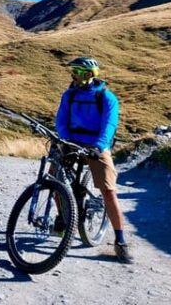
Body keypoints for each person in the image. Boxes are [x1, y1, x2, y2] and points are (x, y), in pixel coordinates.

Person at [55, 56, 134, 263]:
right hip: (71, 142)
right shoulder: (69, 95)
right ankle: (62, 217)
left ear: (89, 74)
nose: (72, 75)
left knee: (108, 190)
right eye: (73, 71)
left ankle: (120, 241)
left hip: (96, 146)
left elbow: (109, 125)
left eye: (77, 72)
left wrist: (99, 146)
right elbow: (61, 119)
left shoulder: (106, 97)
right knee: (54, 178)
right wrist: (64, 139)